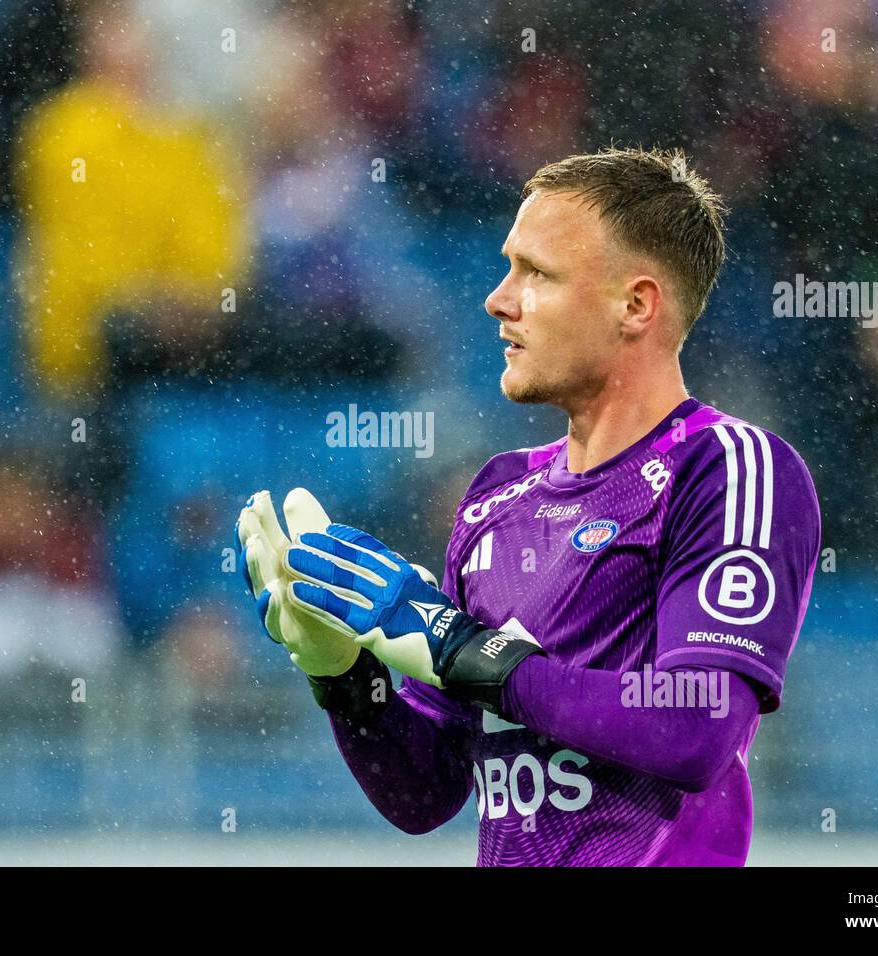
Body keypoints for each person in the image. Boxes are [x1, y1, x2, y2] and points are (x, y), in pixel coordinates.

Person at [240, 148, 821, 866]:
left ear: (635, 305)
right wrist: (343, 678)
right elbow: (426, 794)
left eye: (536, 273)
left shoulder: (726, 466)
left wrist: (466, 652)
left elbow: (697, 726)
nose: (498, 299)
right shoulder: (495, 497)